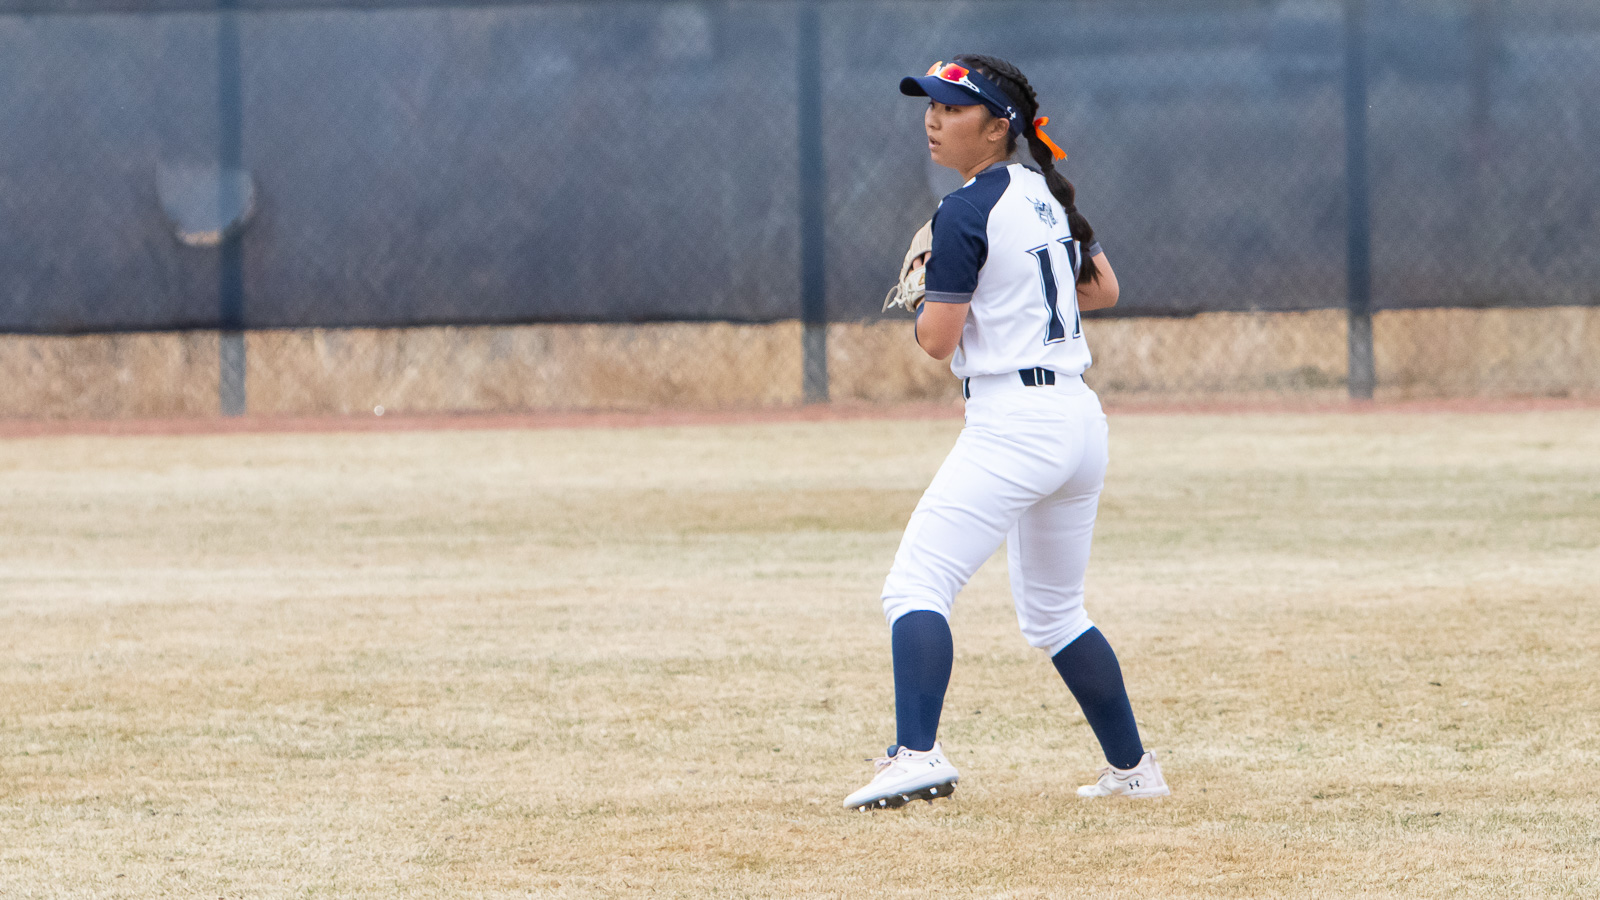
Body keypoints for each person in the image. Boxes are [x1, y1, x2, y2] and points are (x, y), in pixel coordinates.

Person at [844, 55, 1168, 811]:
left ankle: (916, 754)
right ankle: (1133, 770)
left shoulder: (965, 210)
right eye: (929, 105)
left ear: (997, 128)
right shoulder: (1044, 193)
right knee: (1056, 614)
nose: (933, 119)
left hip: (1015, 421)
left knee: (916, 585)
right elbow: (1104, 289)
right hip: (1077, 418)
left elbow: (937, 341)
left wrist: (927, 288)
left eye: (952, 108)